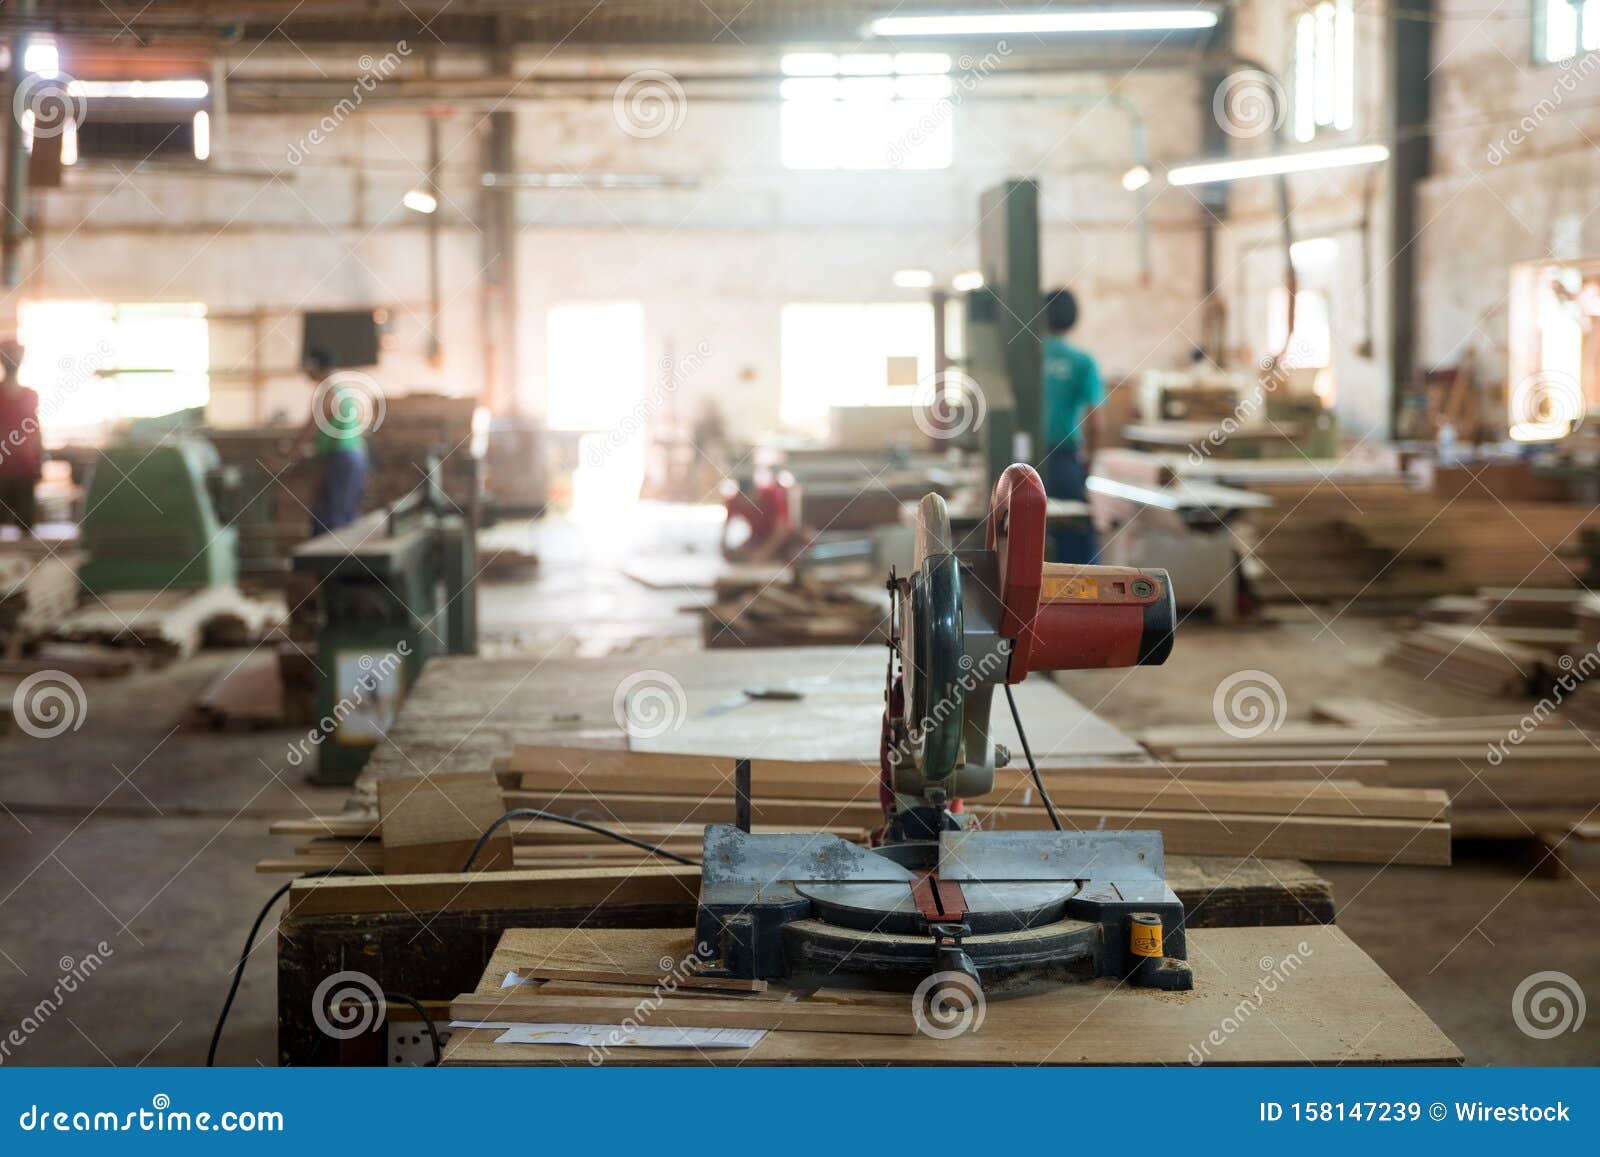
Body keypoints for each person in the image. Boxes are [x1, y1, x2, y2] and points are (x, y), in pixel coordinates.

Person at [1039, 288, 1104, 562]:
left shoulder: (1025, 359)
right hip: (1064, 460)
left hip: (1025, 461)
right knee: (1076, 539)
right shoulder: (1083, 362)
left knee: (1029, 533)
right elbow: (1096, 422)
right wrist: (1090, 462)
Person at [303, 350, 369, 536]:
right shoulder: (341, 390)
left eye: (308, 366)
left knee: (334, 517)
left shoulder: (329, 394)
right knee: (343, 513)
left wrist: (287, 454)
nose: (306, 371)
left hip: (342, 459)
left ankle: (334, 553)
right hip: (353, 456)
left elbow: (310, 429)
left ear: (315, 366)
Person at [0, 338, 41, 536]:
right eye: (9, 354)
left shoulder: (30, 396)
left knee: (26, 528)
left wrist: (40, 461)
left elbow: (36, 430)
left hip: (25, 470)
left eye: (16, 355)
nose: (13, 360)